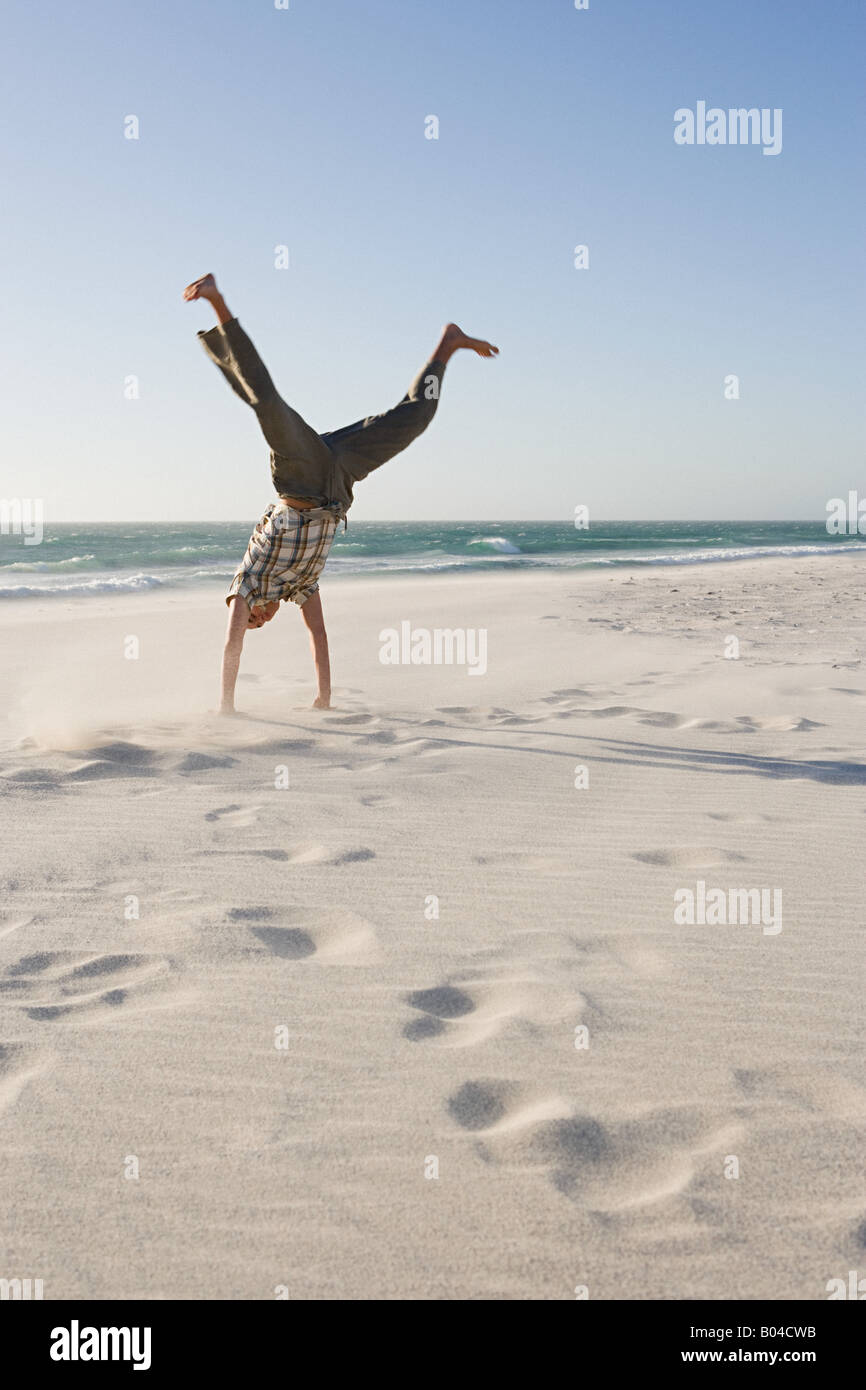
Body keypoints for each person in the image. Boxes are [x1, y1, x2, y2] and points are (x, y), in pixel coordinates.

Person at [183, 274, 498, 713]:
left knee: (265, 401)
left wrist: (227, 705)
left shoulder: (247, 585)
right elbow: (319, 637)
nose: (255, 617)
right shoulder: (303, 585)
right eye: (258, 622)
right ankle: (447, 345)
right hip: (339, 481)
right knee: (412, 421)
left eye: (250, 616)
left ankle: (218, 302)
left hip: (298, 475)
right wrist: (324, 698)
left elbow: (231, 641)